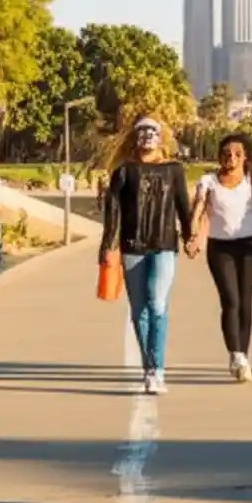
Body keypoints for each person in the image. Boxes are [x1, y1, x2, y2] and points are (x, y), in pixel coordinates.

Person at [100, 116, 194, 395]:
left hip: (164, 245)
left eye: (152, 132)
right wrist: (107, 246)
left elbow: (183, 206)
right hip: (132, 246)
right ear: (135, 138)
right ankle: (148, 368)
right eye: (142, 132)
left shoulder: (174, 171)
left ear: (160, 138)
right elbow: (112, 213)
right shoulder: (124, 172)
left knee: (157, 304)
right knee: (139, 310)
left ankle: (157, 369)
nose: (147, 138)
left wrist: (190, 237)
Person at [186, 133, 252, 383]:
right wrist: (193, 237)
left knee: (246, 301)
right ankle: (235, 353)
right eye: (227, 153)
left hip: (249, 245)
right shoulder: (208, 181)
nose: (232, 158)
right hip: (220, 248)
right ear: (220, 156)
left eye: (237, 154)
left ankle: (243, 356)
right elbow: (198, 209)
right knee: (231, 300)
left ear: (245, 157)